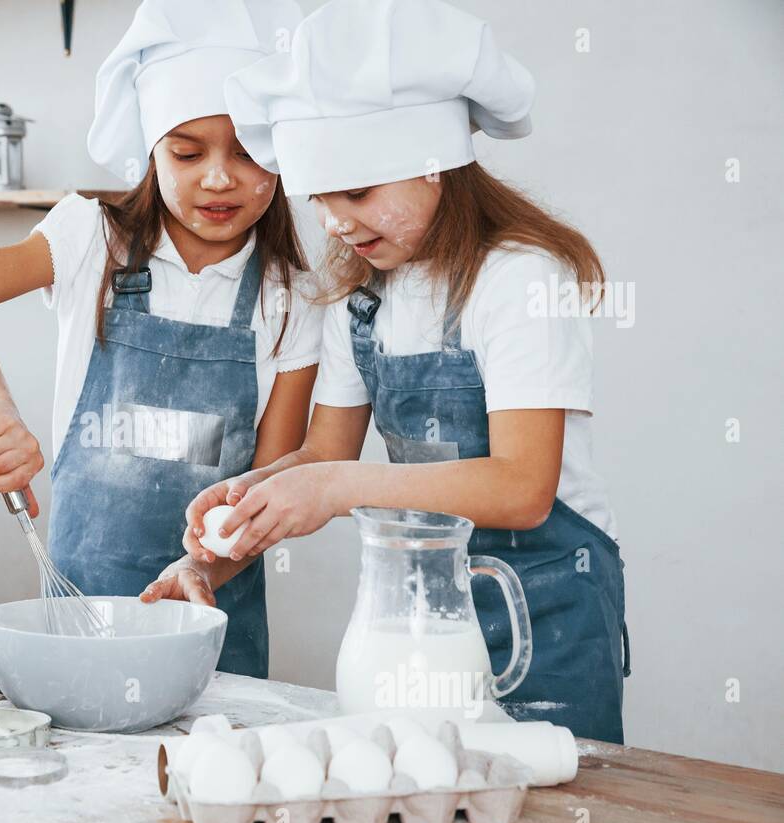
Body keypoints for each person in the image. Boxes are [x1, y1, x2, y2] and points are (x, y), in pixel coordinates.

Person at [160, 0, 630, 741]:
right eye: (320, 200)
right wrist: (235, 524)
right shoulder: (360, 299)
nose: (338, 223)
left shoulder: (518, 279)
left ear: (435, 166)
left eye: (357, 193)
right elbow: (324, 456)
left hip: (550, 615)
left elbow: (523, 487)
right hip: (425, 617)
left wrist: (336, 489)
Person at [0, 0, 323, 677]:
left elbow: (271, 487)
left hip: (214, 629)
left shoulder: (294, 297)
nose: (218, 177)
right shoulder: (91, 239)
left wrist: (200, 568)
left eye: (250, 154)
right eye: (187, 153)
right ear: (151, 149)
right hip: (77, 621)